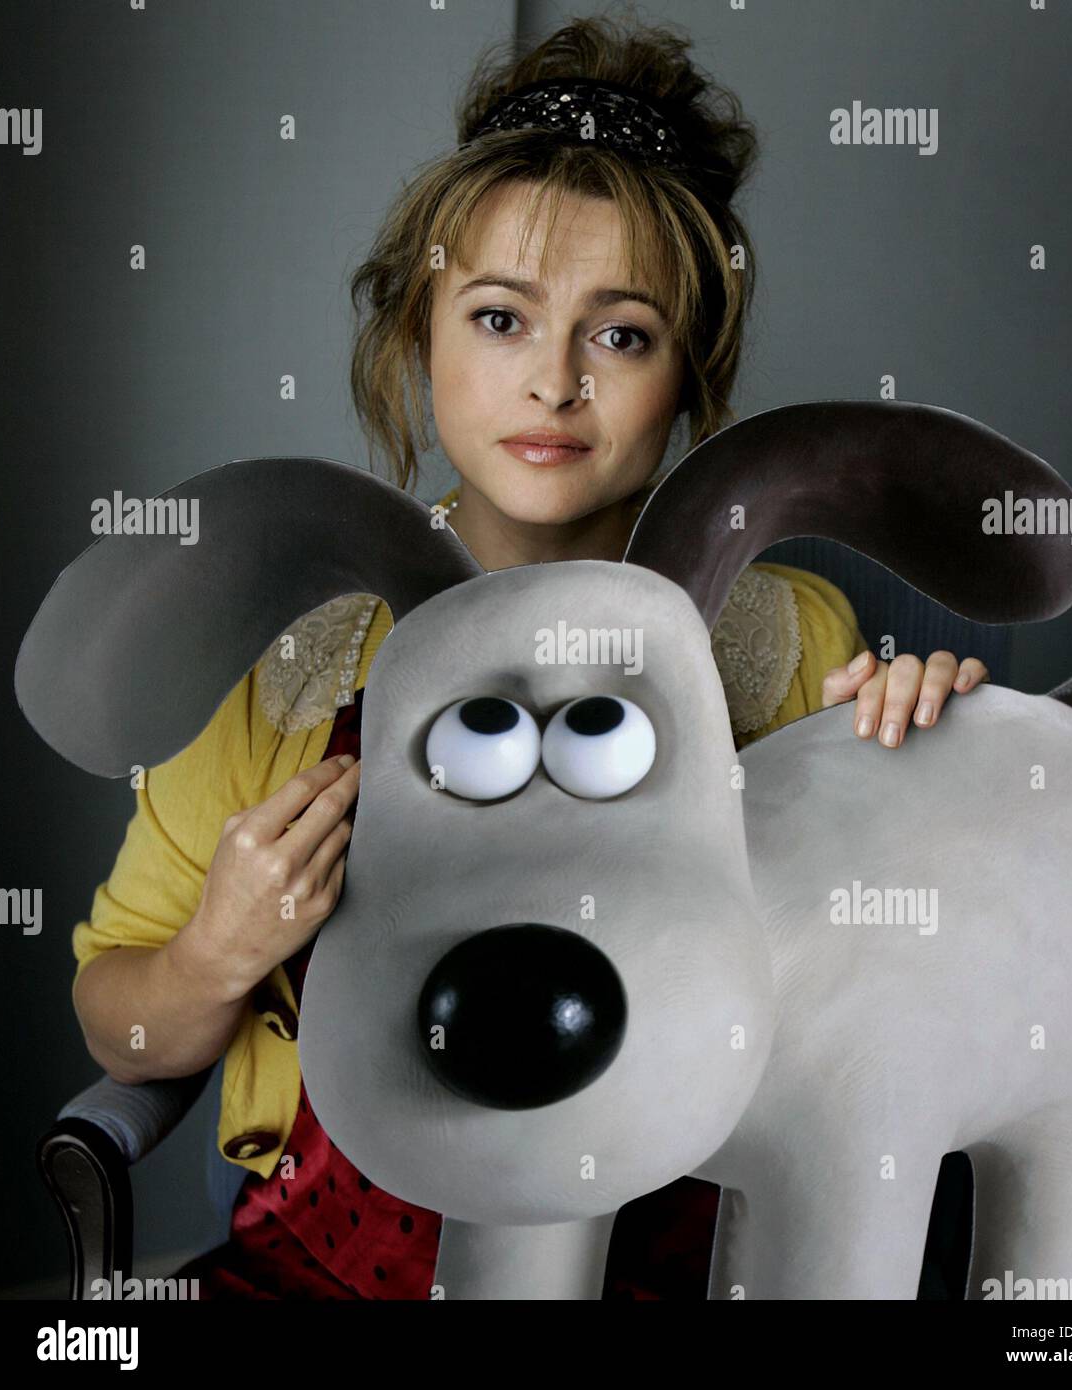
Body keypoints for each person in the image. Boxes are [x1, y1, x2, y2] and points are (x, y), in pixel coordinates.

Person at [70, 12, 988, 1300]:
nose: (553, 383)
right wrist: (213, 954)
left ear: (689, 378)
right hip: (328, 1276)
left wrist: (921, 781)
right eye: (501, 319)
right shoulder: (289, 657)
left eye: (621, 334)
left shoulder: (786, 643)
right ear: (419, 337)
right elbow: (121, 1022)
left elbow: (875, 1001)